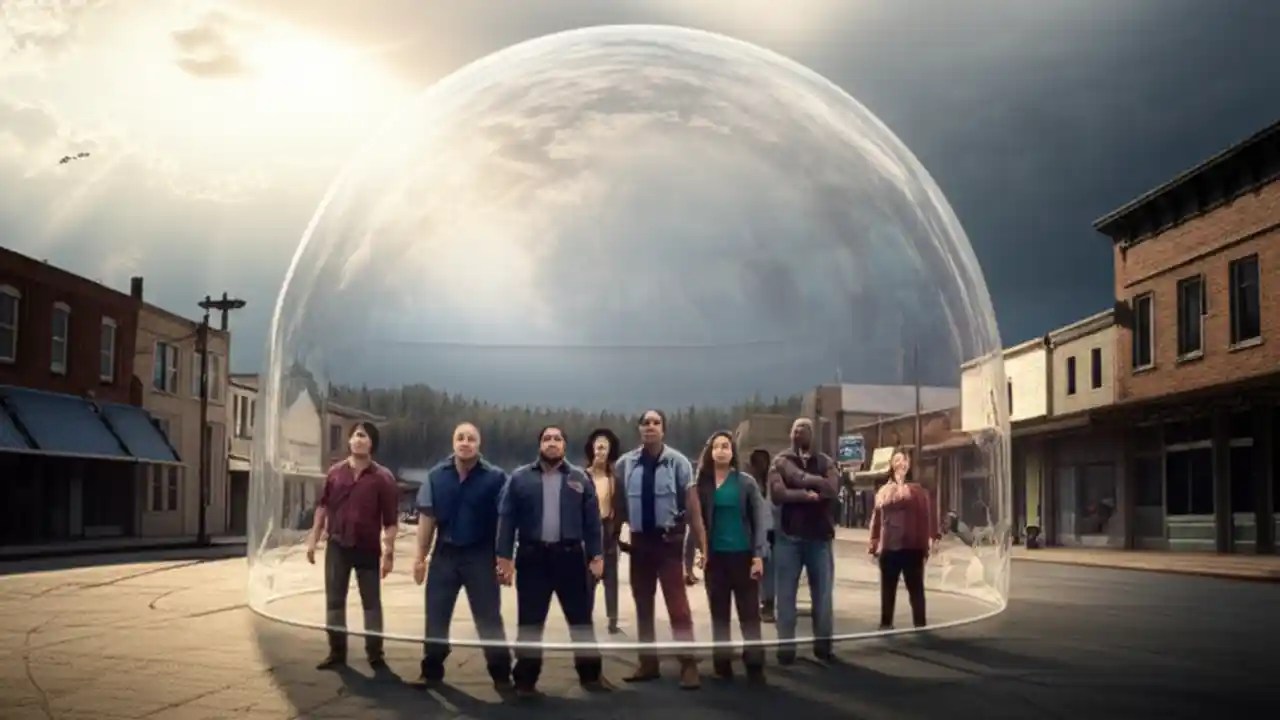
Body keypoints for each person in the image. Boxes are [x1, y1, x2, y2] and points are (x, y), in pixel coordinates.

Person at [497, 426, 608, 697]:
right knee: (530, 622)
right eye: (547, 439)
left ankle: (591, 676)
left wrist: (596, 555)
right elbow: (507, 518)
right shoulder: (520, 478)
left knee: (581, 620)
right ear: (540, 445)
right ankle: (525, 681)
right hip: (532, 557)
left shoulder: (579, 478)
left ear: (564, 446)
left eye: (557, 439)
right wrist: (504, 557)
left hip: (570, 558)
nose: (552, 442)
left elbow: (592, 522)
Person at [411, 422, 513, 690]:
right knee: (436, 615)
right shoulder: (436, 476)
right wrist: (420, 558)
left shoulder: (496, 478)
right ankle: (431, 671)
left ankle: (501, 674)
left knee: (488, 617)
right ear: (453, 442)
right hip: (444, 555)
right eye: (460, 438)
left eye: (471, 438)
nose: (465, 443)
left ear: (479, 444)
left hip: (481, 555)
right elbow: (427, 518)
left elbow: (506, 521)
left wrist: (505, 559)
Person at [614, 409, 708, 689]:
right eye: (646, 423)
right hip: (639, 544)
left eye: (656, 423)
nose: (650, 427)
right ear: (639, 429)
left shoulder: (678, 463)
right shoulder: (625, 464)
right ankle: (648, 663)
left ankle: (688, 665)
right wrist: (611, 540)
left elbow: (692, 508)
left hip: (668, 543)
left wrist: (703, 546)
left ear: (663, 430)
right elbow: (619, 506)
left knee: (678, 607)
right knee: (643, 605)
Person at [306, 422, 399, 671]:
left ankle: (375, 654)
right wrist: (314, 538)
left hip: (367, 547)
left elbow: (390, 520)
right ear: (349, 440)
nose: (359, 440)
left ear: (372, 443)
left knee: (372, 603)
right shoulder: (335, 473)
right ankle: (336, 652)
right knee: (335, 601)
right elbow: (323, 506)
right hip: (338, 545)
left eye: (364, 436)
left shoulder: (383, 478)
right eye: (356, 435)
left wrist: (389, 553)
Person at [693, 431, 769, 683]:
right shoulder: (702, 485)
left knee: (750, 615)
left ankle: (755, 665)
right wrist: (695, 554)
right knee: (719, 615)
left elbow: (760, 520)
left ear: (732, 451)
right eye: (717, 446)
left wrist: (758, 555)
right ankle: (722, 664)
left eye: (726, 446)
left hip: (744, 557)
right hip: (715, 560)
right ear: (710, 452)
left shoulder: (746, 482)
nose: (721, 451)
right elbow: (696, 522)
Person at [768, 417, 840, 664]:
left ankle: (823, 647)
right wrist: (807, 492)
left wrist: (800, 484)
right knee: (785, 597)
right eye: (796, 429)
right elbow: (778, 494)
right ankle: (786, 649)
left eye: (805, 429)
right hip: (789, 537)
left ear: (813, 434)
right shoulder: (780, 461)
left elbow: (832, 490)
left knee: (823, 597)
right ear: (790, 434)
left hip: (820, 537)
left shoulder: (826, 462)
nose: (800, 433)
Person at [868, 449, 936, 630]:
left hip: (912, 547)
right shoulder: (884, 490)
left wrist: (926, 545)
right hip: (889, 547)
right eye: (897, 460)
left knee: (916, 590)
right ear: (892, 464)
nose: (901, 463)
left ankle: (920, 625)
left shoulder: (918, 491)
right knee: (887, 590)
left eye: (905, 460)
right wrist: (873, 543)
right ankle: (886, 624)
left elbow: (925, 518)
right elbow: (877, 518)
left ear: (909, 465)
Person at [584, 427, 624, 635]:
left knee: (611, 578)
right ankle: (584, 620)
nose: (600, 451)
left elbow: (622, 506)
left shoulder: (615, 478)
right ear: (591, 449)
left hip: (609, 531)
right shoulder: (582, 477)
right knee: (587, 580)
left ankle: (613, 621)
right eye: (597, 447)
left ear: (610, 451)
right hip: (588, 533)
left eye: (604, 447)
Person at [748, 448, 779, 623]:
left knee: (770, 571)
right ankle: (758, 604)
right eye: (758, 463)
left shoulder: (773, 483)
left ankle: (768, 604)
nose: (762, 466)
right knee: (756, 570)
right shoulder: (749, 485)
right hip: (754, 532)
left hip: (772, 531)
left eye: (764, 462)